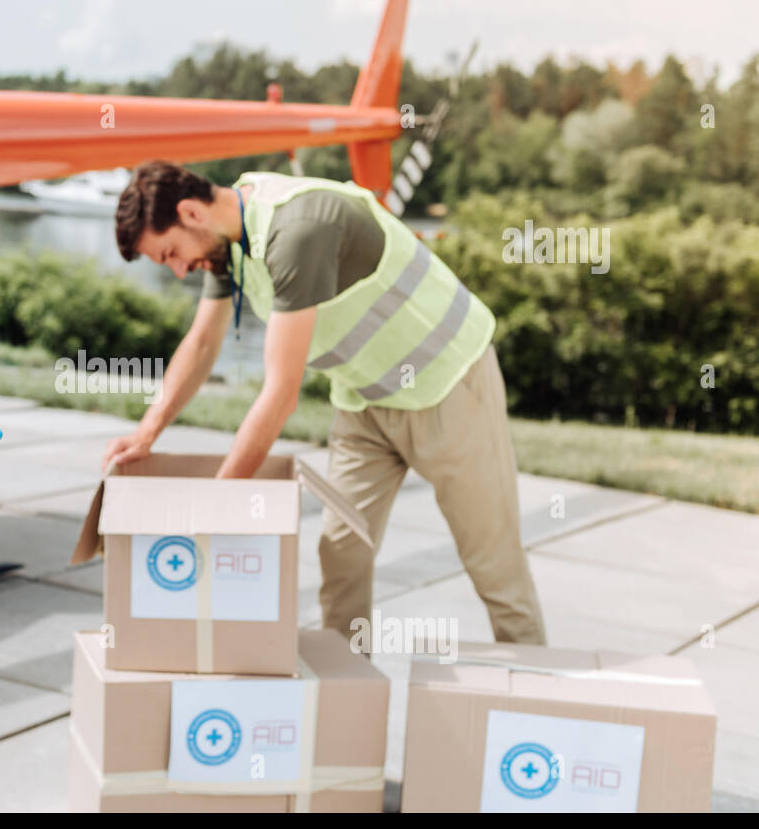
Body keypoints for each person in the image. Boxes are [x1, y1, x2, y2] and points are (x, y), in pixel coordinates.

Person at [104, 161, 546, 646]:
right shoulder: (228, 242)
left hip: (447, 384)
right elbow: (203, 344)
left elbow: (281, 394)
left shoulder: (296, 231)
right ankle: (350, 694)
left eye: (170, 253)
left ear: (190, 213)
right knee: (342, 553)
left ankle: (531, 700)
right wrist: (147, 432)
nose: (179, 269)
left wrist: (217, 502)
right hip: (364, 401)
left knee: (491, 561)